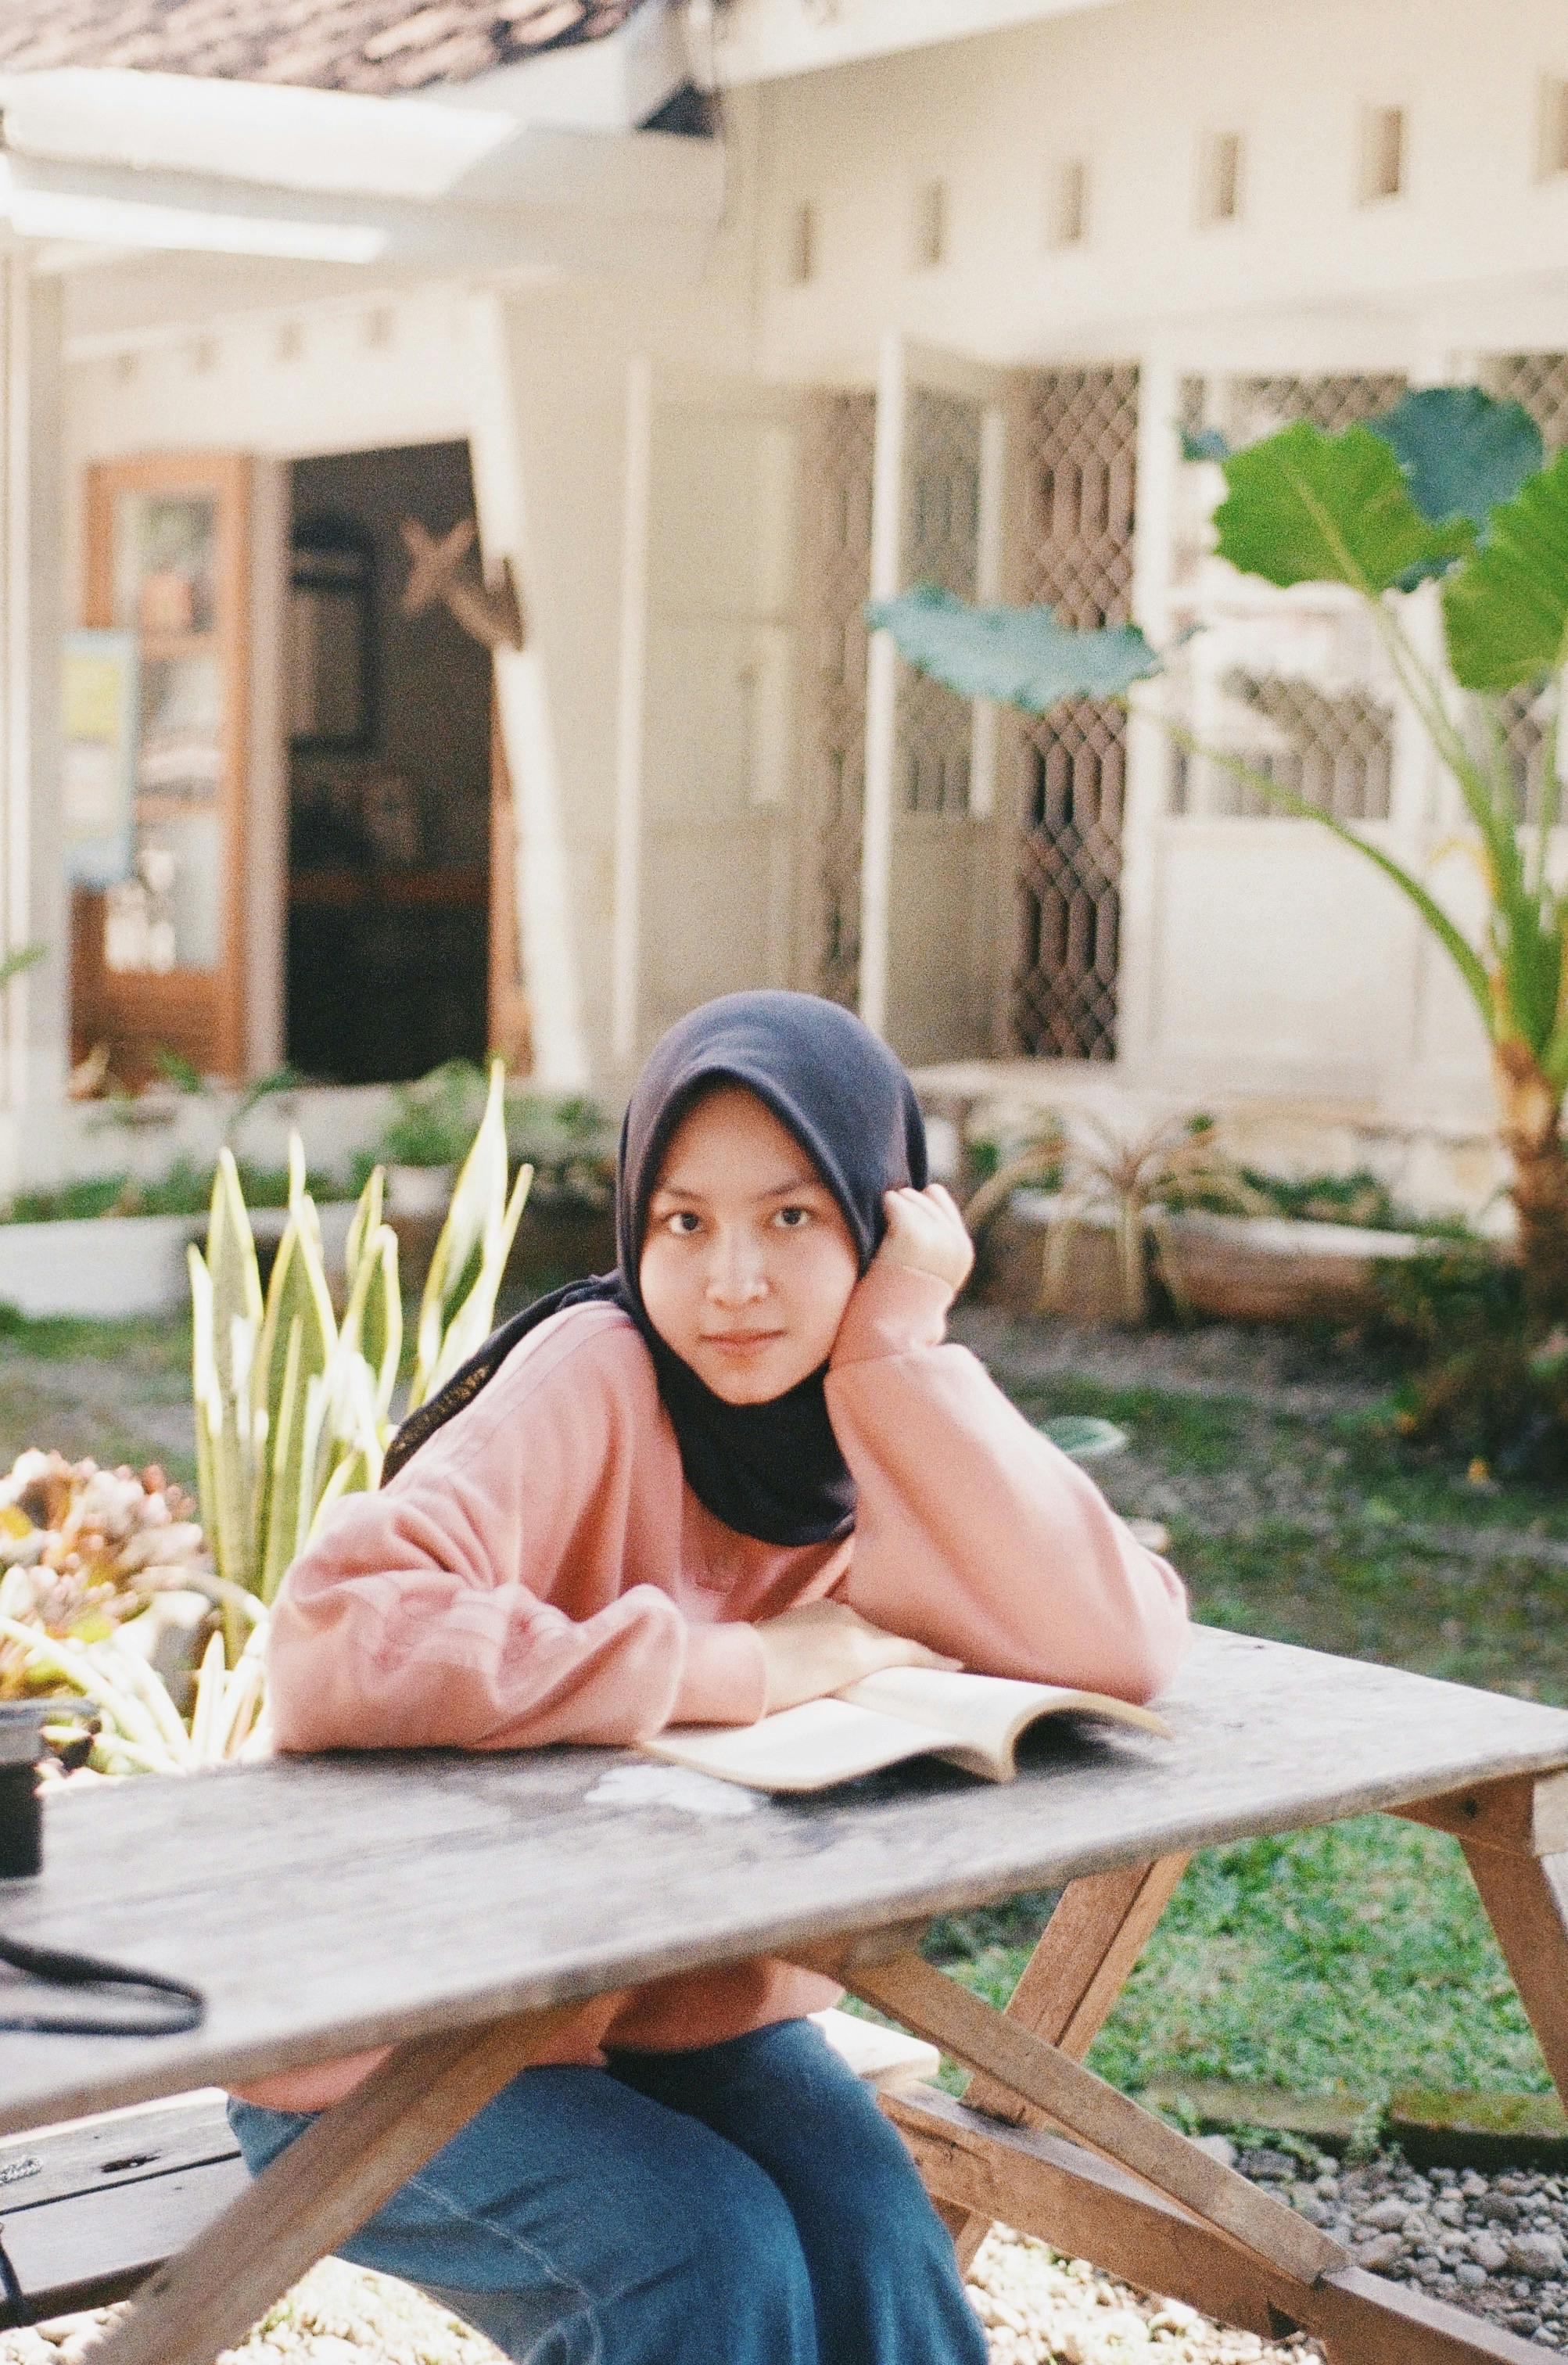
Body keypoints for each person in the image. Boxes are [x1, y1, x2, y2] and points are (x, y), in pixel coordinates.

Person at [228, 990, 1189, 2365]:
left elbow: (1122, 1645)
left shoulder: (869, 1404)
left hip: (666, 2015)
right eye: (684, 1223)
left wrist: (898, 1350)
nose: (732, 1281)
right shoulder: (594, 1372)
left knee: (876, 2234)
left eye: (792, 1217)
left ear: (882, 1222)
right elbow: (339, 1635)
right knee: (704, 2254)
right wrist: (729, 1665)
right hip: (384, 2037)